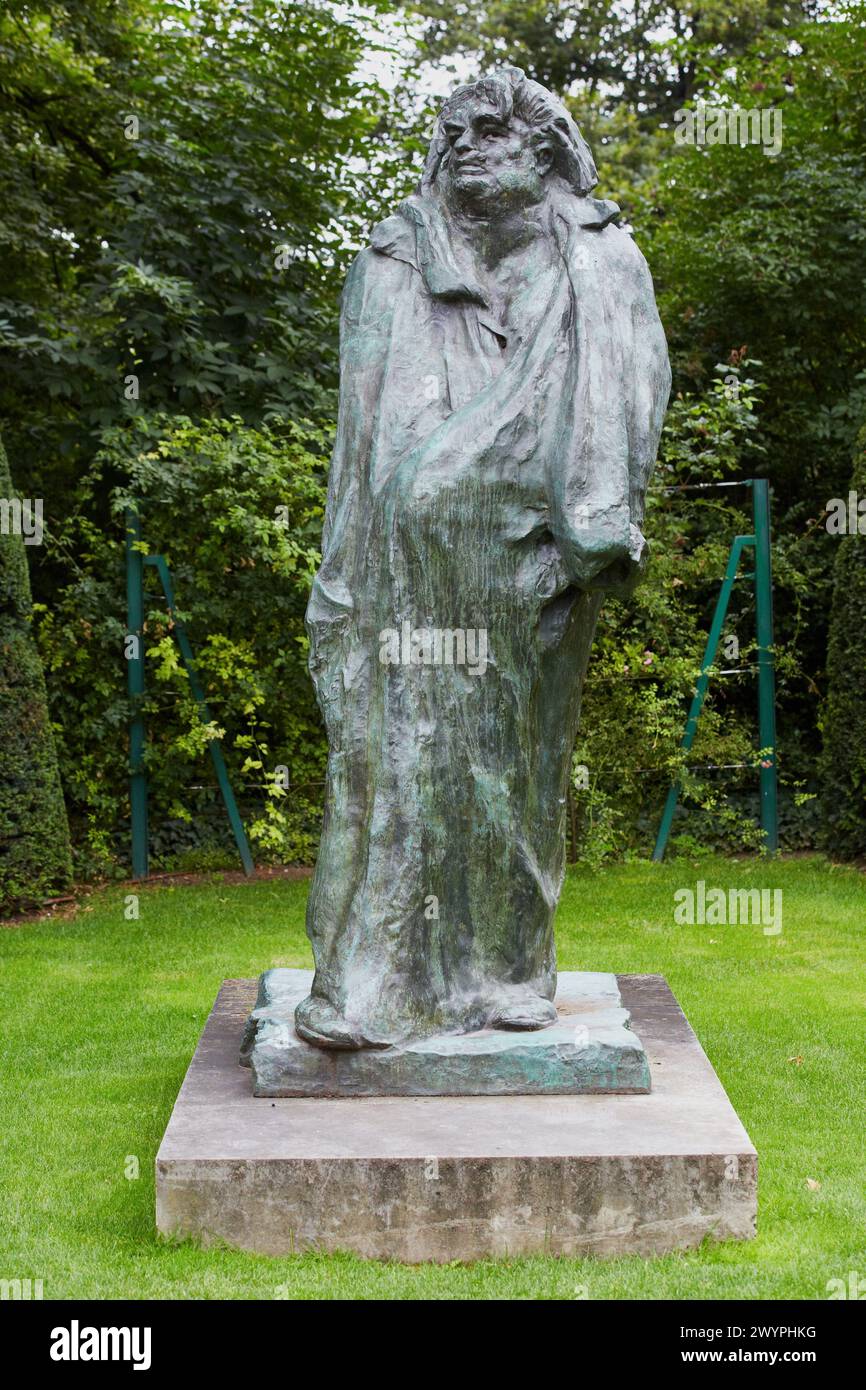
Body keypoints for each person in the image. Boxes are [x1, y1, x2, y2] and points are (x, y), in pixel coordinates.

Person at [295, 66, 671, 1049]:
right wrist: (344, 572)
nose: (467, 147)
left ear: (543, 150)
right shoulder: (398, 257)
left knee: (521, 766)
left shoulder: (598, 261)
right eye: (453, 134)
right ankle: (377, 986)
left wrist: (587, 549)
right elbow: (362, 431)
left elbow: (627, 410)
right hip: (408, 578)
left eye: (493, 132)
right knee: (403, 759)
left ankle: (507, 970)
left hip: (537, 567)